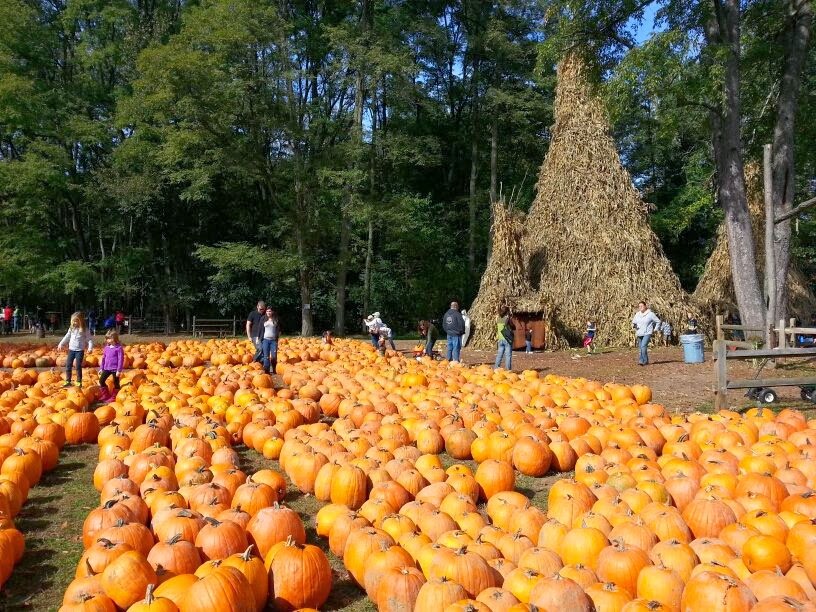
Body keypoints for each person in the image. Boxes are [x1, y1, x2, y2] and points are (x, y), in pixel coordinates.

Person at [57, 312, 93, 387]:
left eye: (76, 321)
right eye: (73, 321)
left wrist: (90, 348)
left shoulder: (84, 329)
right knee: (68, 365)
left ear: (80, 321)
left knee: (78, 366)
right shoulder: (71, 328)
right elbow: (67, 336)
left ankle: (79, 382)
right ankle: (68, 381)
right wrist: (61, 343)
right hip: (71, 350)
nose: (74, 322)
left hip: (79, 351)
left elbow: (89, 339)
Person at [632, 301, 661, 366]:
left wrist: (655, 329)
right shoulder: (637, 314)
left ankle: (643, 361)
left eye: (642, 306)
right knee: (640, 347)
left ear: (645, 306)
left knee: (643, 346)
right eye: (639, 306)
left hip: (647, 333)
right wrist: (634, 326)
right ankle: (644, 360)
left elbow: (658, 321)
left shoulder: (650, 314)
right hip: (639, 332)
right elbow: (634, 322)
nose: (640, 307)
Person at [99, 330, 124, 400]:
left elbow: (120, 359)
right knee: (101, 380)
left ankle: (114, 396)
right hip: (107, 368)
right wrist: (101, 368)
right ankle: (106, 395)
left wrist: (119, 370)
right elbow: (103, 358)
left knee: (116, 382)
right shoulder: (106, 348)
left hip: (115, 369)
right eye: (106, 338)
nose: (107, 340)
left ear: (114, 338)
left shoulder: (119, 348)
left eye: (109, 338)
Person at [261, 307, 280, 374]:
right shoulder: (263, 319)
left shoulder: (275, 320)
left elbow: (278, 330)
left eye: (270, 311)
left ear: (272, 312)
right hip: (265, 340)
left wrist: (277, 340)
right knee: (266, 356)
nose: (268, 312)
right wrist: (259, 338)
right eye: (267, 311)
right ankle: (267, 370)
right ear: (266, 312)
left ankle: (274, 368)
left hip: (273, 341)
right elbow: (260, 329)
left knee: (274, 356)